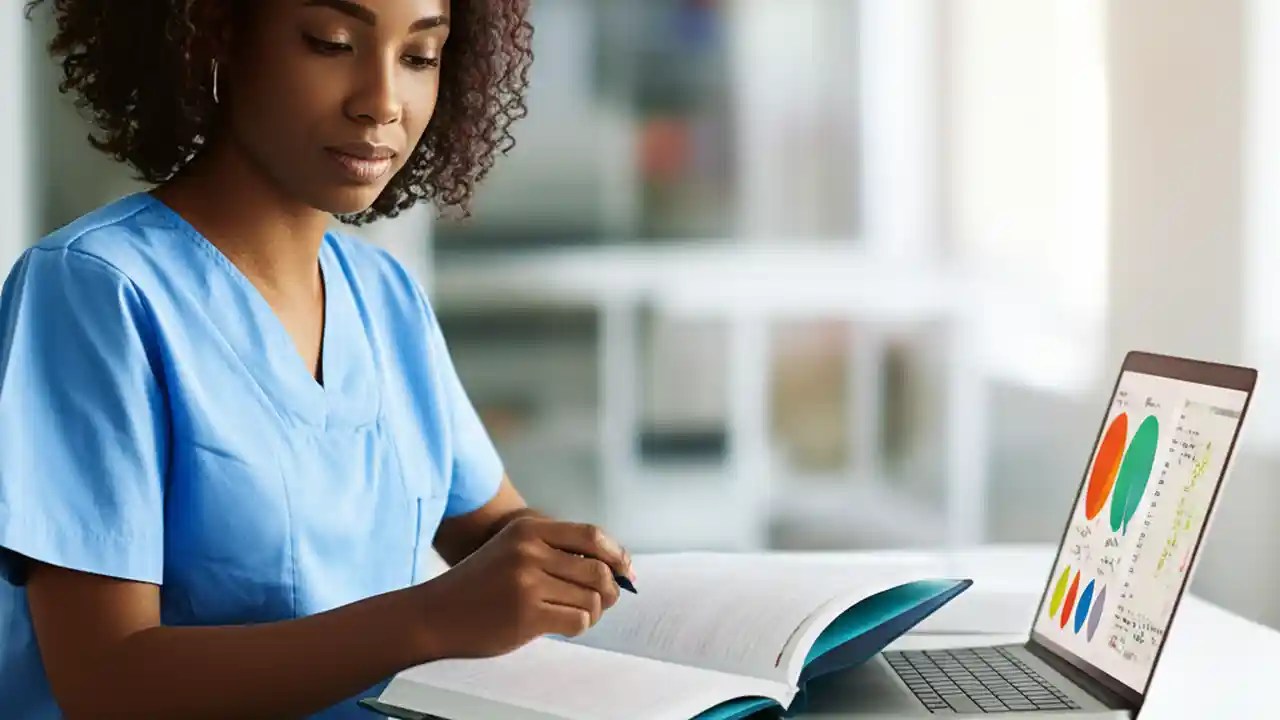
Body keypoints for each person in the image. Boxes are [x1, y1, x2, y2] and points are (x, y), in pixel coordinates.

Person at [0, 1, 637, 717]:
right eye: (331, 44)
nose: (382, 103)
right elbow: (105, 681)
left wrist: (565, 560)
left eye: (420, 58)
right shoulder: (96, 288)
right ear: (218, 39)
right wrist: (429, 619)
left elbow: (493, 528)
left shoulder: (385, 296)